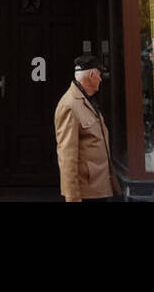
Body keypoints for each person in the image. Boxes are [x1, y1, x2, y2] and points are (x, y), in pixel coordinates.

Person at [54, 54, 121, 203]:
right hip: (87, 193)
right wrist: (72, 197)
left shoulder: (88, 100)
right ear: (91, 75)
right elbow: (67, 156)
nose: (101, 79)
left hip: (99, 187)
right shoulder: (70, 105)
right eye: (99, 74)